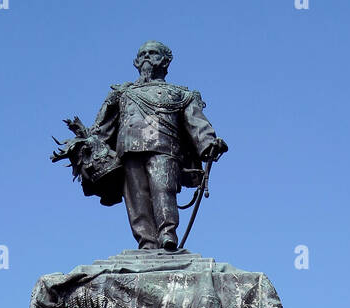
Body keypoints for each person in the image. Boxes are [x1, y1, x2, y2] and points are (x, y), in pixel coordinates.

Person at [52, 40, 227, 251]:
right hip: (128, 151)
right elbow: (102, 128)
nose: (146, 57)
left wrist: (208, 143)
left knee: (163, 189)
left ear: (165, 61)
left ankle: (167, 234)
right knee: (137, 198)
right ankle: (147, 242)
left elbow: (196, 122)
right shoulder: (122, 93)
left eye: (153, 53)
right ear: (135, 61)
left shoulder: (181, 94)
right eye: (142, 53)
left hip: (164, 147)